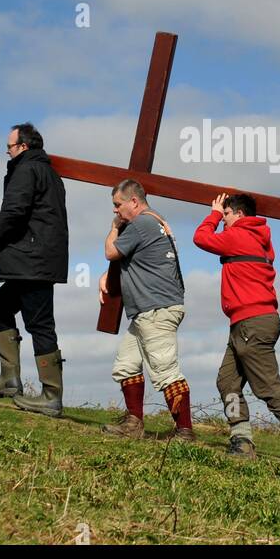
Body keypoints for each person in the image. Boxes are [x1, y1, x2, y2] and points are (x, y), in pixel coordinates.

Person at [193, 192, 280, 465]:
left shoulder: (239, 235)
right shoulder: (259, 238)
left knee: (267, 386)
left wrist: (214, 215)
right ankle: (241, 440)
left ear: (239, 215)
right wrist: (223, 216)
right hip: (249, 322)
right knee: (227, 381)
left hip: (251, 323)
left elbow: (201, 237)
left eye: (227, 214)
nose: (224, 219)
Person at [0, 123, 69, 417]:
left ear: (23, 147)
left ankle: (51, 396)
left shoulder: (26, 170)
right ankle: (10, 380)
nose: (8, 152)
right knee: (0, 306)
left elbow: (14, 211)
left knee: (40, 324)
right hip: (34, 259)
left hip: (32, 261)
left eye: (10, 147)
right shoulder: (50, 173)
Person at [98, 179, 193, 440]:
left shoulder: (139, 224)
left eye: (118, 205)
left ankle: (184, 431)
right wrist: (106, 278)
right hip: (148, 309)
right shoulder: (156, 221)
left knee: (165, 370)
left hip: (155, 308)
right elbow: (134, 261)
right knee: (126, 364)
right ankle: (133, 424)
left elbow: (110, 252)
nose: (116, 211)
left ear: (134, 202)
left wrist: (113, 228)